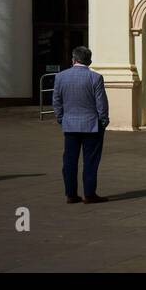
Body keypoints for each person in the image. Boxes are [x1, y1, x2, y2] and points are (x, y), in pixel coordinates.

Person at [52, 46, 110, 204]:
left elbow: (56, 101)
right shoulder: (95, 78)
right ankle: (89, 194)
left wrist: (61, 118)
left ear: (73, 59)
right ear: (89, 61)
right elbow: (101, 103)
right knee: (90, 161)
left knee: (69, 161)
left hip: (70, 124)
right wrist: (103, 121)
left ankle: (71, 194)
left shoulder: (61, 77)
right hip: (92, 125)